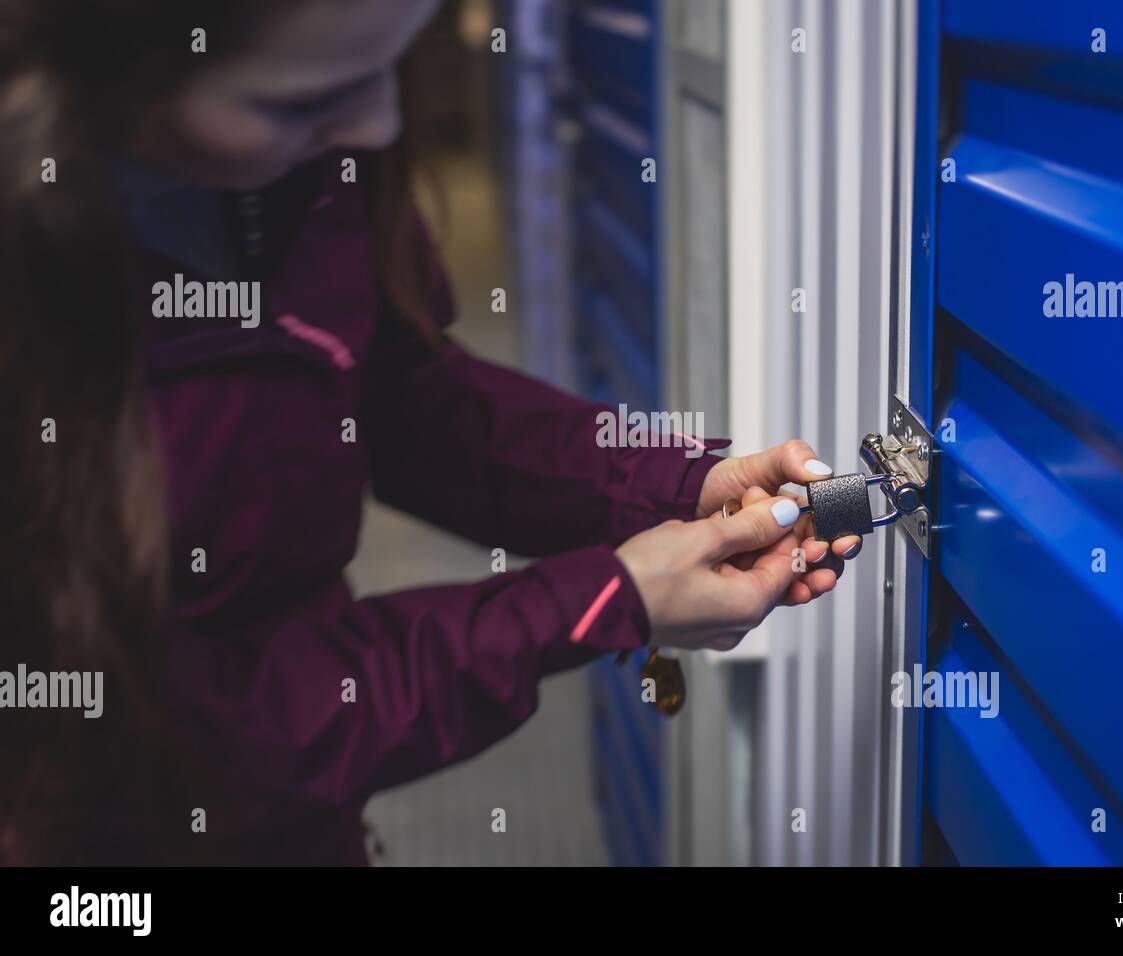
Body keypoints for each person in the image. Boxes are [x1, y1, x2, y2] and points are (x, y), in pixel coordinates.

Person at [0, 0, 860, 864]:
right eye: (301, 101)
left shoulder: (328, 161)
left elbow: (406, 401)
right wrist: (597, 604)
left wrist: (675, 486)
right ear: (85, 84)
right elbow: (190, 736)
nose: (381, 125)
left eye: (391, 63)